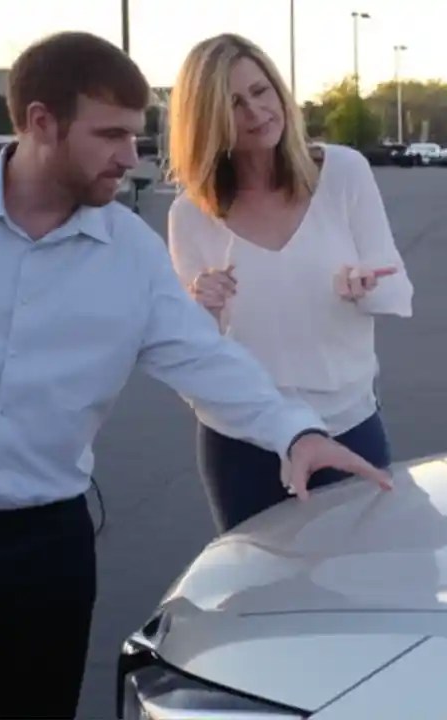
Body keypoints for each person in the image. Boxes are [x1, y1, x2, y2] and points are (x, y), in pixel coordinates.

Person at [0, 31, 391, 720]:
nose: (133, 158)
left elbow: (206, 359)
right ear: (41, 123)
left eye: (137, 134)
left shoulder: (128, 254)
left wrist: (296, 434)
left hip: (49, 543)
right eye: (111, 136)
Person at [165, 33, 413, 534]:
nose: (256, 111)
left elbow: (397, 291)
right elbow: (190, 356)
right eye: (233, 103)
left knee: (364, 583)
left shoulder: (343, 172)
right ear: (205, 118)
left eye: (261, 91)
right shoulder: (190, 215)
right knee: (264, 598)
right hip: (242, 443)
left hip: (348, 425)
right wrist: (202, 308)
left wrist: (365, 286)